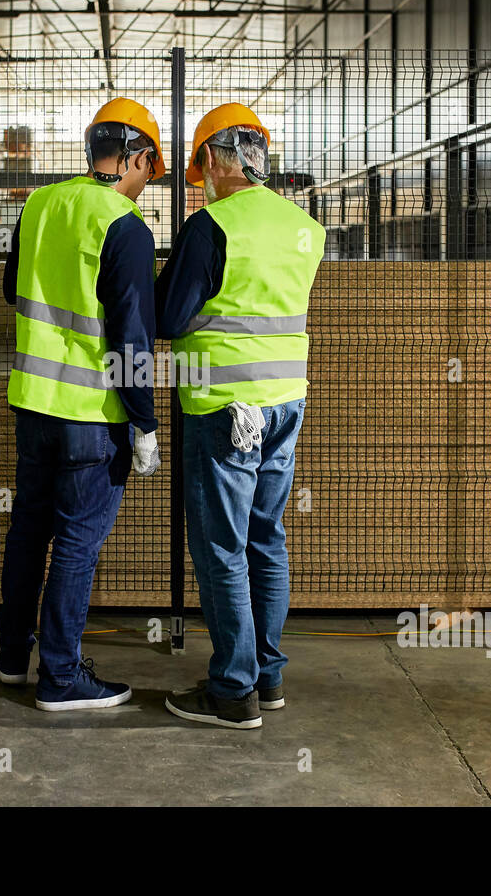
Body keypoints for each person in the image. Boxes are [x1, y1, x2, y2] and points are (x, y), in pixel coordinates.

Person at [156, 103, 325, 729]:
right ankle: (269, 678)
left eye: (198, 162)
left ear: (209, 160)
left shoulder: (210, 228)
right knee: (265, 540)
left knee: (222, 547)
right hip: (286, 401)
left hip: (223, 404)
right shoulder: (306, 227)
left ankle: (232, 690)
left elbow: (170, 321)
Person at [0, 98, 164, 711]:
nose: (147, 186)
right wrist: (143, 422)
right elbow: (132, 337)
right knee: (76, 544)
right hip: (91, 418)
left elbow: (13, 289)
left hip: (32, 405)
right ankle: (61, 679)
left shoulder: (38, 204)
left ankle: (14, 658)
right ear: (138, 158)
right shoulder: (124, 225)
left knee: (28, 534)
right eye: (151, 172)